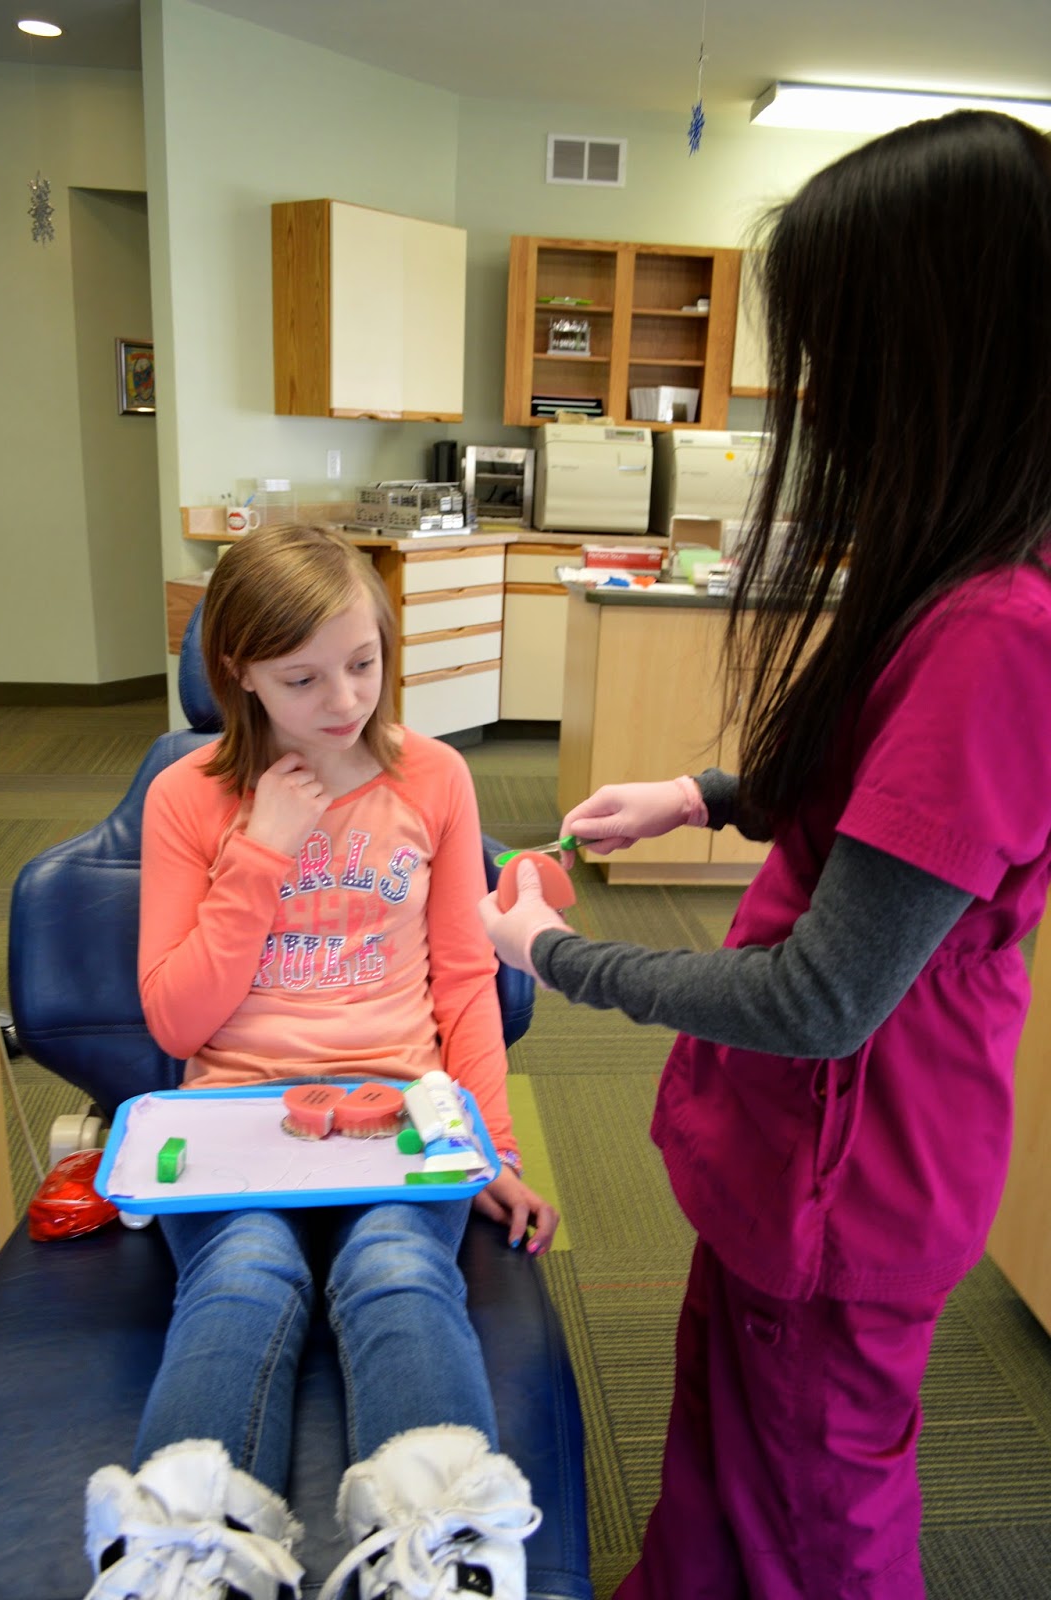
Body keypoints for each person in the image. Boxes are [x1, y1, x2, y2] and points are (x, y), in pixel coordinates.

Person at [478, 111, 1051, 1600]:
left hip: (851, 1179)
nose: (815, 399)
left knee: (815, 1508)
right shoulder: (957, 576)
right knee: (727, 1446)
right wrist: (703, 794)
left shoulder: (1002, 632)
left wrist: (555, 955)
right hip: (795, 1157)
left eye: (832, 355)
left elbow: (819, 999)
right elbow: (885, 793)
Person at [82, 523, 558, 1600]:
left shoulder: (433, 777)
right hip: (233, 1109)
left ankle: (442, 1553)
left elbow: (463, 979)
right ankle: (180, 1556)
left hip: (399, 1105)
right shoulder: (187, 795)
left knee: (396, 1268)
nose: (344, 700)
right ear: (239, 674)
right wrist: (262, 850)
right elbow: (176, 1017)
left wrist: (490, 1145)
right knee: (244, 1272)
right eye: (301, 678)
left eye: (363, 663)